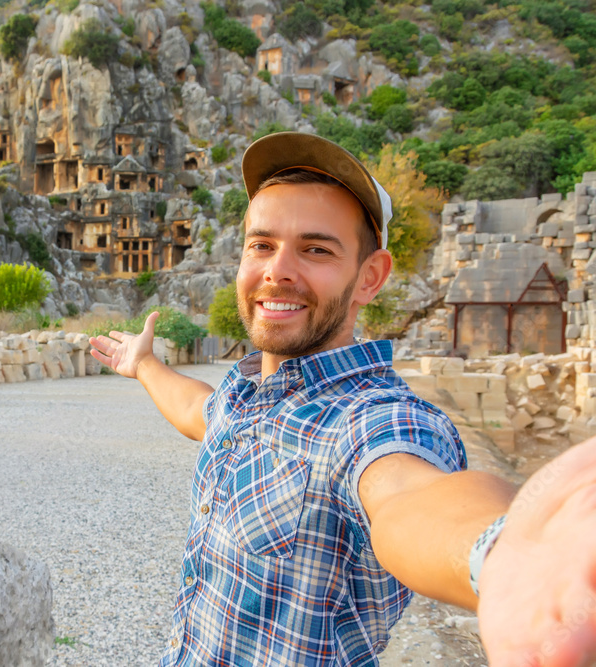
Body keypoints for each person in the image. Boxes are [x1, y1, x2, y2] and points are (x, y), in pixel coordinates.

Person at [89, 132, 596, 667]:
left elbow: (407, 496)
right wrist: (143, 365)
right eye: (262, 245)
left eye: (315, 250)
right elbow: (199, 411)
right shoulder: (244, 394)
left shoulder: (374, 421)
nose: (277, 270)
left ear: (369, 277)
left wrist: (504, 552)